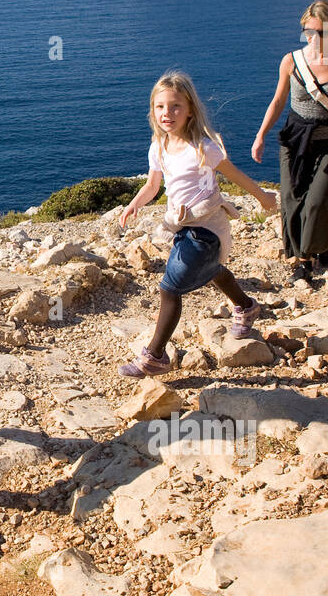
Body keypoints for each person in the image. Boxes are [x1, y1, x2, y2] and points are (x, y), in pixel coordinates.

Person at [117, 72, 278, 377]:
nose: (167, 113)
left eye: (176, 106)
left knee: (170, 287)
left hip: (208, 227)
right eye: (160, 106)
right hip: (182, 226)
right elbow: (153, 185)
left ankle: (155, 357)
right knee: (211, 270)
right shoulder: (159, 146)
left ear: (190, 109)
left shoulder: (203, 147)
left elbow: (234, 174)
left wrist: (263, 197)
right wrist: (134, 204)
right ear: (153, 110)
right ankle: (246, 306)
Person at [251, 0, 328, 284]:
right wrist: (260, 135)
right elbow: (278, 101)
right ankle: (320, 247)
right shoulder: (291, 61)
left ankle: (305, 261)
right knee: (291, 199)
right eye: (308, 31)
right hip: (295, 139)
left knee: (316, 201)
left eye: (320, 32)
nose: (313, 38)